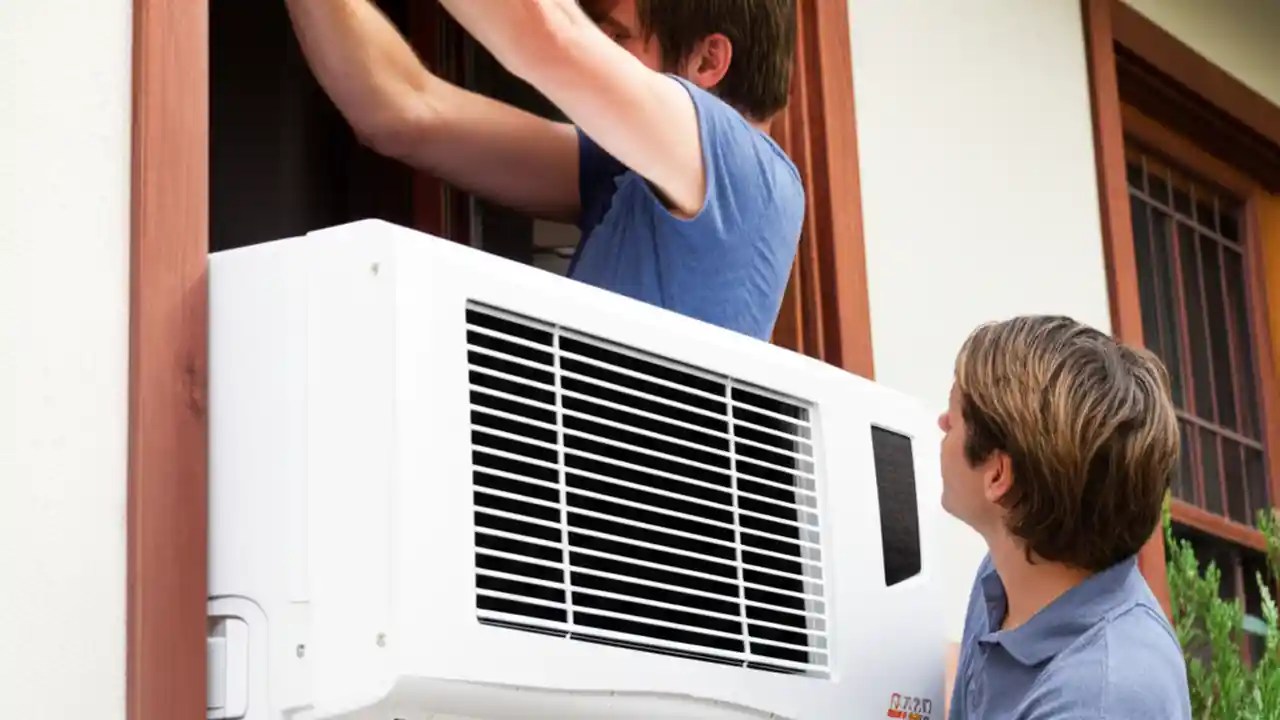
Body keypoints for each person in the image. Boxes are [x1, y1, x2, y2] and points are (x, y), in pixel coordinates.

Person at [283, 0, 804, 341]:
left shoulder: (750, 176)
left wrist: (567, 40)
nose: (604, 58)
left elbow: (550, 36)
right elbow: (403, 110)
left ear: (708, 62)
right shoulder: (626, 178)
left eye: (618, 42)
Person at [939, 316, 1192, 719]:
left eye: (955, 415)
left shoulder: (1102, 696)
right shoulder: (1007, 575)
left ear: (999, 475)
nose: (942, 423)